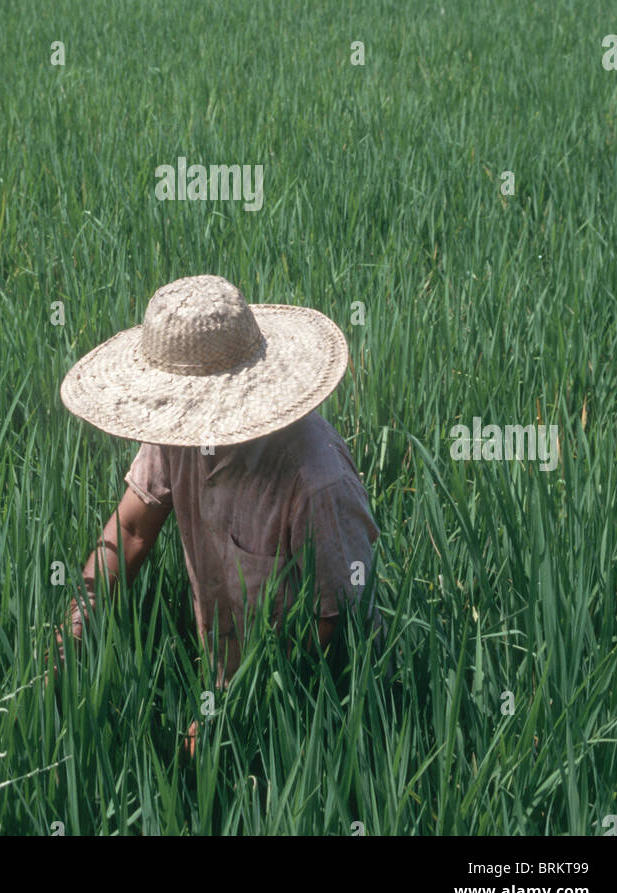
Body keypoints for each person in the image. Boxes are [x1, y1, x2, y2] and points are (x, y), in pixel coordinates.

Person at [54, 275, 380, 709]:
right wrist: (73, 632)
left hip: (319, 706)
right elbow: (131, 530)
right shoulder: (176, 430)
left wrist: (238, 713)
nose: (184, 419)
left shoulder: (316, 480)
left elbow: (336, 621)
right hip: (223, 680)